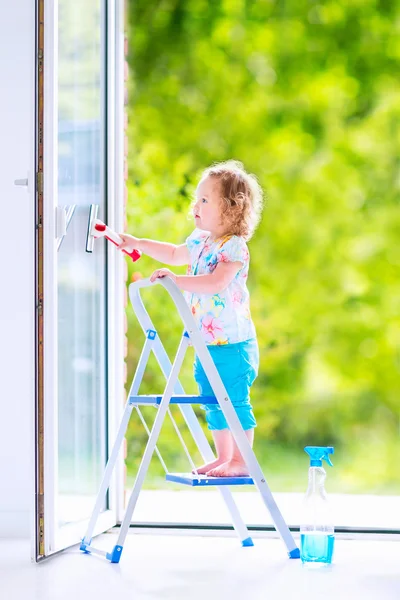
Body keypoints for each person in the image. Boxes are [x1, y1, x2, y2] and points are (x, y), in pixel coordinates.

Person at [118, 160, 264, 477]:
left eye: (204, 200)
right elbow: (173, 254)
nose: (194, 206)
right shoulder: (200, 240)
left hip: (232, 341)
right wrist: (139, 244)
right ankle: (224, 456)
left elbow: (216, 283)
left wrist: (176, 281)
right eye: (196, 199)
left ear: (231, 208)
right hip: (205, 340)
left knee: (234, 399)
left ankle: (241, 460)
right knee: (212, 400)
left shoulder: (234, 247)